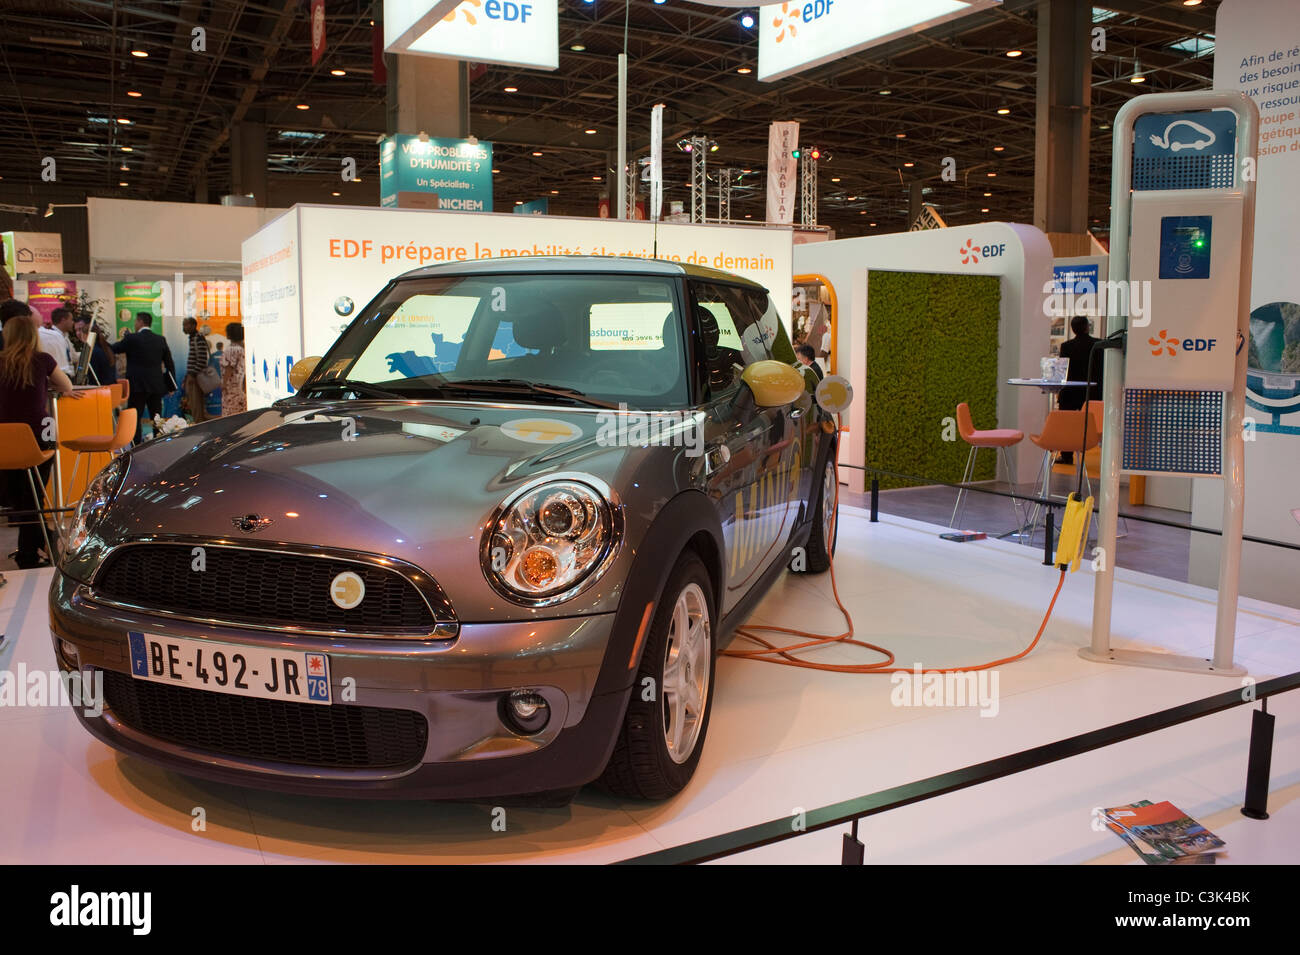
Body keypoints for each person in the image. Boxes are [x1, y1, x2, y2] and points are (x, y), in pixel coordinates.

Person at [0, 316, 76, 568]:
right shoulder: (42, 360)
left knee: (21, 499)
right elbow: (66, 386)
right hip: (39, 435)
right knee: (33, 497)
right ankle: (30, 553)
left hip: (4, 441)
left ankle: (40, 545)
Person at [113, 311, 175, 441]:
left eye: (136, 321)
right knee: (157, 418)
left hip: (137, 385)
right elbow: (169, 363)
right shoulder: (160, 339)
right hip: (156, 385)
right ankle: (159, 443)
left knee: (135, 418)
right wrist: (171, 385)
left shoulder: (132, 338)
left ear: (140, 322)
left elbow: (115, 348)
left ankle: (136, 445)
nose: (135, 324)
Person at [1056, 315, 1103, 463]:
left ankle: (1067, 455)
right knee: (1092, 423)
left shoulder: (1066, 346)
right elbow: (1101, 370)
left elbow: (1063, 371)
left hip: (1070, 391)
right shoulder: (1098, 345)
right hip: (1091, 391)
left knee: (1067, 424)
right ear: (1087, 327)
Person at [182, 317, 210, 423]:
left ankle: (200, 427)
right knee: (193, 406)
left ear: (194, 325)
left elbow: (202, 360)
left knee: (197, 406)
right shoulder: (193, 338)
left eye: (186, 325)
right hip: (193, 376)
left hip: (196, 378)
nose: (184, 327)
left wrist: (192, 376)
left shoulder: (198, 338)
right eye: (183, 325)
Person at [38, 307, 76, 376]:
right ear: (63, 320)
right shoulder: (51, 338)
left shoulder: (65, 336)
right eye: (71, 320)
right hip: (60, 376)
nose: (73, 323)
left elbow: (73, 356)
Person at [220, 322, 246, 416]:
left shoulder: (231, 349)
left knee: (230, 412)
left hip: (230, 387)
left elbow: (229, 367)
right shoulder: (241, 348)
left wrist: (223, 383)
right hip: (239, 386)